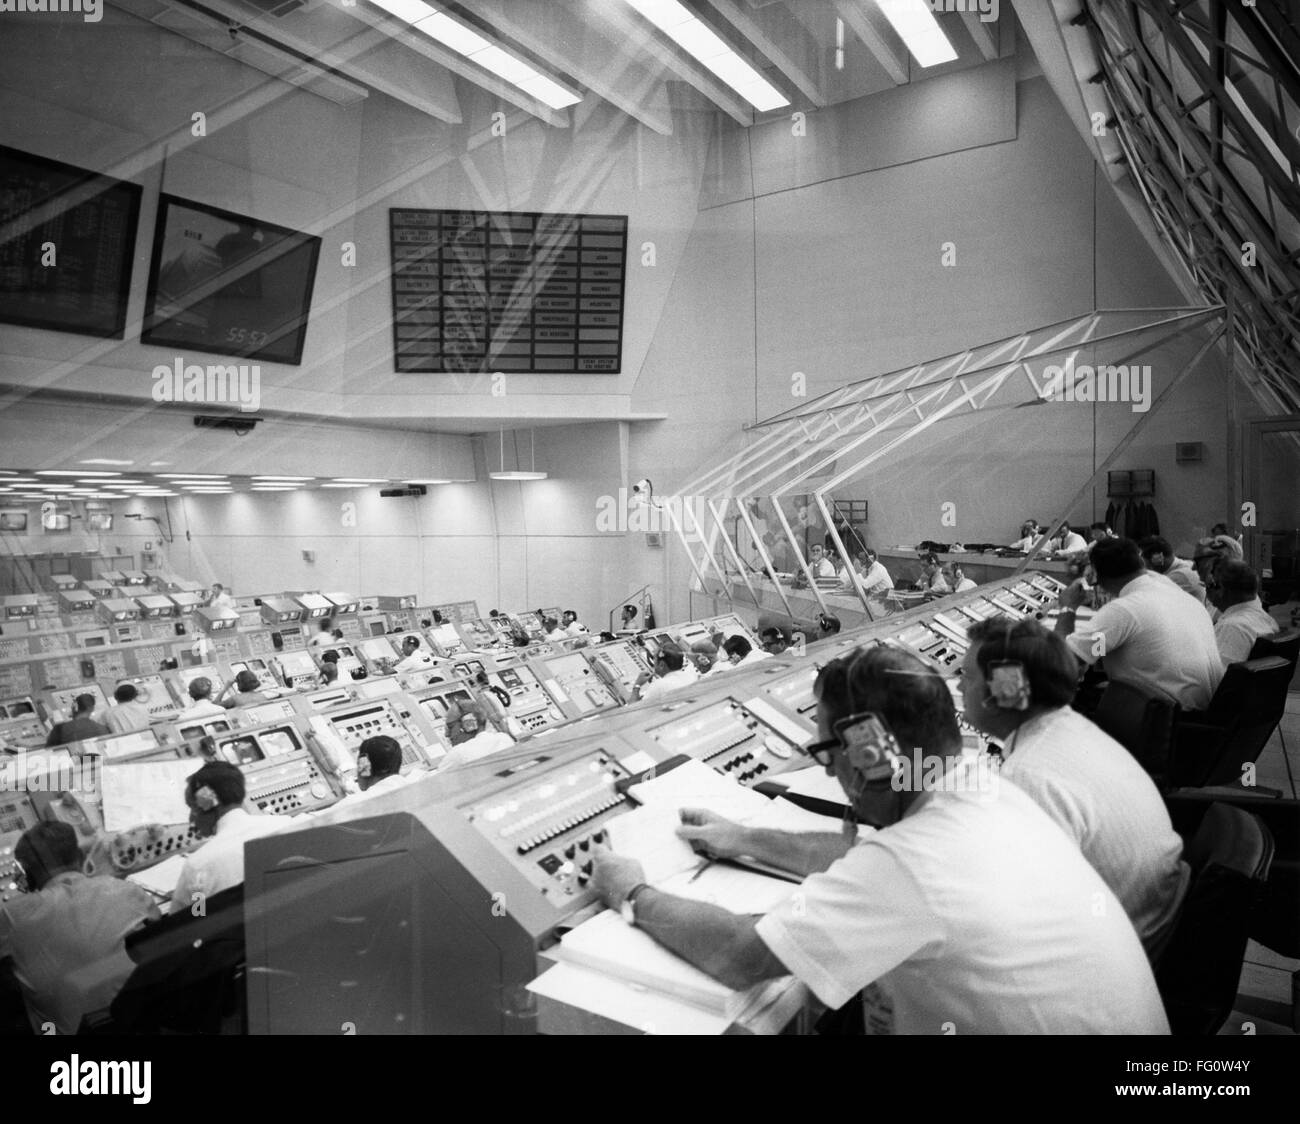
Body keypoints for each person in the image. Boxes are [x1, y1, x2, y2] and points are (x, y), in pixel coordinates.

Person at [590, 644, 1169, 1034]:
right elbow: (864, 858)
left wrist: (633, 893)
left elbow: (743, 954)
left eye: (824, 753)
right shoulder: (986, 788)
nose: (826, 772)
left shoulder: (918, 860)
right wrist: (744, 837)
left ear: (867, 750)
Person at [960, 618, 1189, 957]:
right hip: (1143, 924)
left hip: (1108, 958)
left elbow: (1007, 908)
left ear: (1003, 691)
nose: (959, 687)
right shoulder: (1071, 730)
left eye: (965, 676)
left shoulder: (1029, 777)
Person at [0, 821, 159, 1034]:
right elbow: (161, 932)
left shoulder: (10, 916)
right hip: (140, 1022)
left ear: (28, 873)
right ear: (82, 856)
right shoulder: (127, 890)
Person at [1056, 537, 1223, 709]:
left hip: (1163, 722)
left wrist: (1068, 608)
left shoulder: (1124, 610)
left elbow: (1059, 664)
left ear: (1097, 575)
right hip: (1195, 713)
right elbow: (1098, 647)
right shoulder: (1169, 589)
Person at [170, 762, 286, 910]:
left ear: (207, 803)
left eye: (193, 808)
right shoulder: (289, 824)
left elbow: (195, 919)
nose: (191, 819)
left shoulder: (197, 866)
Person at [1210, 561, 1279, 664]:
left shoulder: (1232, 627)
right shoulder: (1268, 620)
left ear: (1222, 591)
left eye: (1211, 585)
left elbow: (1216, 675)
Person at [437, 701, 516, 772]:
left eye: (451, 727)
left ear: (469, 724)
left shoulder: (459, 752)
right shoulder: (504, 738)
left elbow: (430, 780)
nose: (447, 734)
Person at [1138, 536, 1207, 604]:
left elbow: (1145, 599)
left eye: (1143, 561)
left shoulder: (1180, 576)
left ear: (1158, 558)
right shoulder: (1183, 566)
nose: (1142, 565)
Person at [634, 643, 698, 704]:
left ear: (661, 665)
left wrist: (637, 685)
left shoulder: (658, 685)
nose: (654, 663)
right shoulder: (692, 676)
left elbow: (632, 710)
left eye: (654, 659)